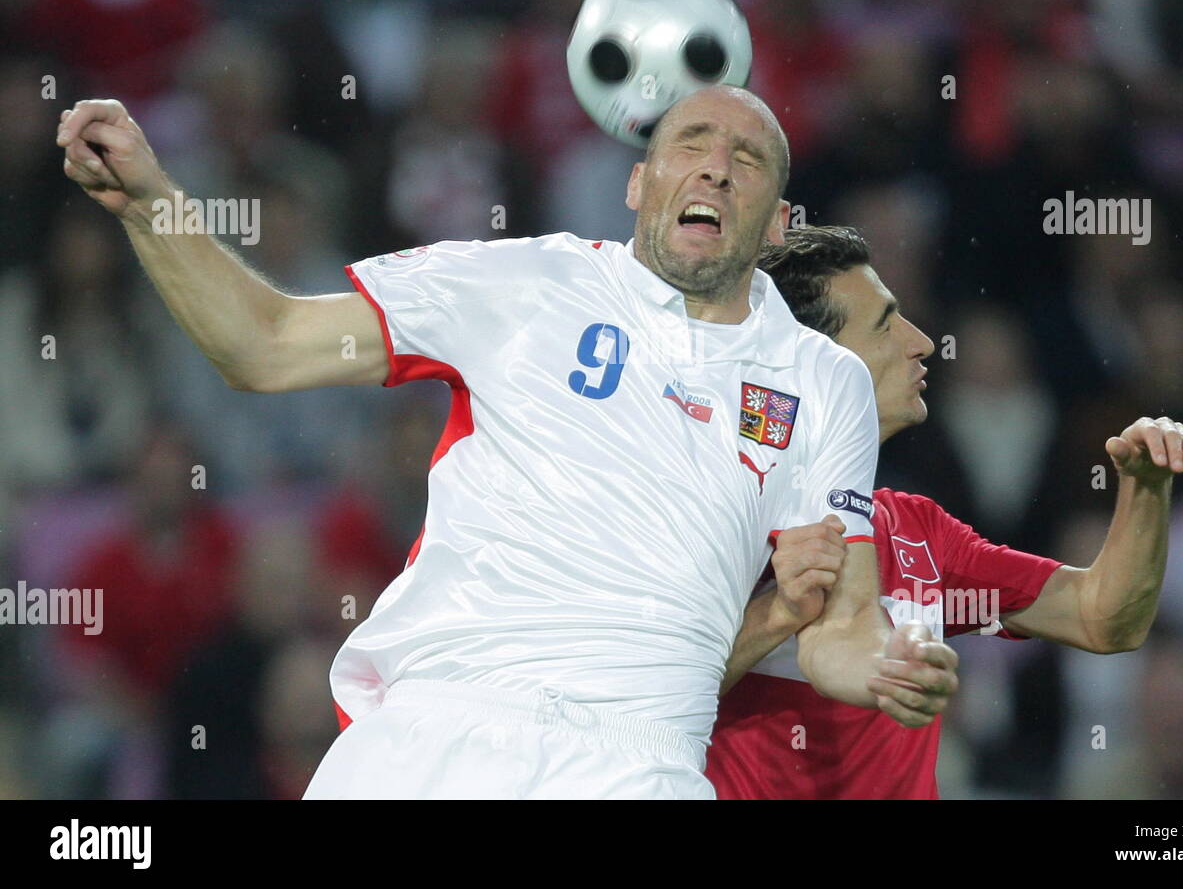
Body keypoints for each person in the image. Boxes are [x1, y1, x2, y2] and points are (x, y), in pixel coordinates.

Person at [56, 89, 937, 799]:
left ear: (778, 221)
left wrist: (883, 665)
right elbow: (268, 343)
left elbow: (844, 625)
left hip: (644, 757)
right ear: (638, 184)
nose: (715, 164)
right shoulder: (525, 281)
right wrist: (150, 204)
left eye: (745, 160)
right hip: (437, 730)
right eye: (692, 142)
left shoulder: (825, 383)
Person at [708, 225, 1183, 799]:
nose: (920, 341)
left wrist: (1144, 491)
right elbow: (640, 687)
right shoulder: (719, 516)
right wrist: (778, 612)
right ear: (816, 361)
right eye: (885, 324)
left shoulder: (920, 531)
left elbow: (1104, 618)